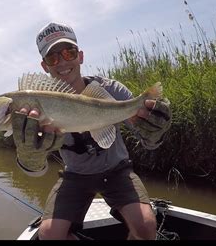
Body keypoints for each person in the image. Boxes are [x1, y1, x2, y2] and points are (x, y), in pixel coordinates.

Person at [11, 22, 172, 240]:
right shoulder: (35, 106)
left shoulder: (112, 90)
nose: (63, 62)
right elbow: (37, 171)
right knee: (49, 235)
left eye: (70, 52)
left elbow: (146, 139)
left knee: (145, 227)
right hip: (74, 175)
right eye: (53, 58)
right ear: (44, 66)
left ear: (81, 56)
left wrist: (155, 132)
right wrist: (30, 156)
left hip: (117, 170)